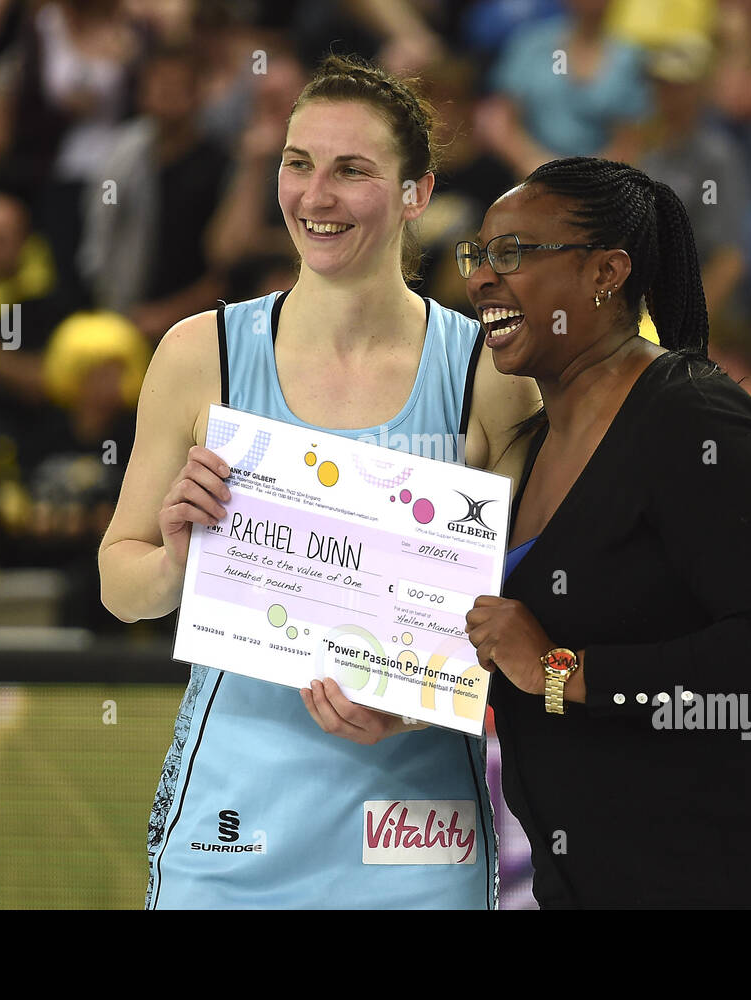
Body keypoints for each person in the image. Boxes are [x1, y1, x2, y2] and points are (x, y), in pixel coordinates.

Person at [97, 55, 539, 909]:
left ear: (417, 192)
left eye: (352, 171)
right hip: (232, 819)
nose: (315, 196)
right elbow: (122, 589)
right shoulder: (200, 354)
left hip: (413, 827)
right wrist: (175, 562)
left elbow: (527, 612)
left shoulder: (487, 369)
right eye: (297, 163)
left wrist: (420, 704)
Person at [459, 156, 751, 907]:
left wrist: (565, 672)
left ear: (606, 273)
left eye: (513, 253)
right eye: (478, 255)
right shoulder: (527, 444)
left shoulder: (694, 419)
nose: (481, 278)